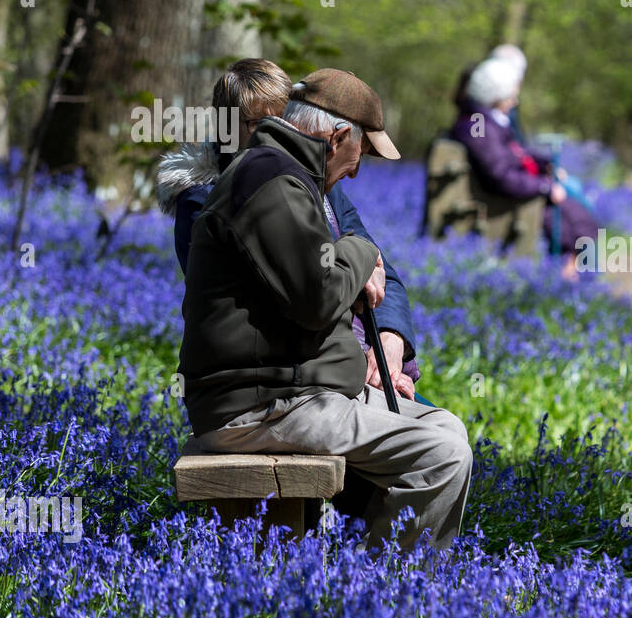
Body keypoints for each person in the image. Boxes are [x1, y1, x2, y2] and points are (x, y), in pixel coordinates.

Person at [179, 69, 473, 551]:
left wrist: (377, 356)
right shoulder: (268, 180)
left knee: (445, 426)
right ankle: (390, 598)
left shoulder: (291, 177)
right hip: (262, 407)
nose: (358, 172)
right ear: (337, 137)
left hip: (299, 392)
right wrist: (359, 249)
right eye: (362, 155)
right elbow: (318, 297)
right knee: (441, 456)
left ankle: (361, 572)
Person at [156, 59, 420, 401]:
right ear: (227, 128)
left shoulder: (324, 187)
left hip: (351, 355)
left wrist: (389, 339)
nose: (279, 131)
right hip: (283, 377)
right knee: (433, 441)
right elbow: (289, 301)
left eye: (284, 117)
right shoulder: (207, 199)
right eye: (260, 122)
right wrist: (356, 269)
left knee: (436, 422)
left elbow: (384, 271)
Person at [450, 56, 599, 277]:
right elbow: (498, 174)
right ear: (495, 93)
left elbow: (514, 153)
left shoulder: (486, 120)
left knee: (577, 211)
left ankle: (571, 275)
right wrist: (544, 188)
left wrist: (545, 165)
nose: (515, 100)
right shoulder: (478, 124)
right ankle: (566, 279)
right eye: (511, 94)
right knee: (573, 216)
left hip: (516, 191)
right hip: (504, 201)